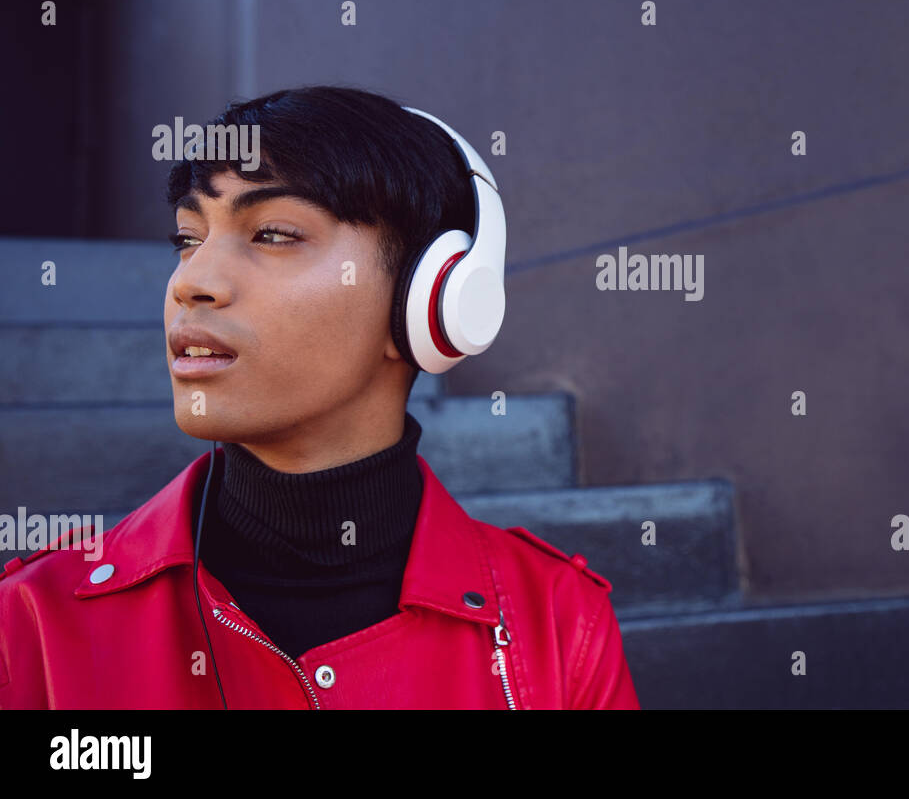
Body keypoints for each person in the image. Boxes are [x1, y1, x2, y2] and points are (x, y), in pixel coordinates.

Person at [0, 85, 640, 709]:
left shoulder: (558, 622)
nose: (192, 281)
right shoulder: (32, 622)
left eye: (273, 233)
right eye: (188, 239)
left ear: (431, 299)